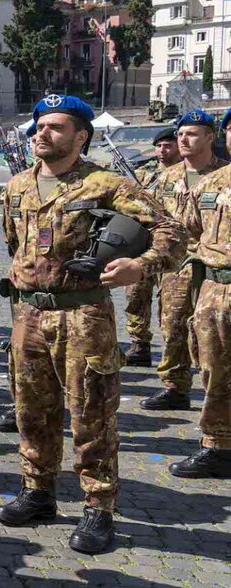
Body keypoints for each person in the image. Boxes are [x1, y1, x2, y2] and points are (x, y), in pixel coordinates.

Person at [0, 94, 184, 555]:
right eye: (39, 125)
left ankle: (98, 507)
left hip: (84, 313)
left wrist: (142, 265)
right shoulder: (17, 186)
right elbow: (14, 242)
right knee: (31, 409)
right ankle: (38, 492)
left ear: (81, 136)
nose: (43, 133)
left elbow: (172, 232)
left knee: (92, 413)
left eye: (56, 127)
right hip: (28, 315)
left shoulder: (104, 184)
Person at [138, 110, 226, 411]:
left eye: (192, 133)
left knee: (210, 331)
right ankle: (175, 386)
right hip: (175, 266)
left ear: (210, 137)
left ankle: (214, 389)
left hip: (211, 268)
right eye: (180, 134)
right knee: (172, 323)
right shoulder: (166, 178)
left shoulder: (223, 175)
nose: (183, 139)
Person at [170, 108, 231, 479]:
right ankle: (218, 446)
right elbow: (185, 230)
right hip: (216, 288)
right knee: (214, 369)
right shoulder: (212, 183)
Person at [124, 126, 183, 363]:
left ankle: (176, 354)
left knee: (172, 303)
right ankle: (140, 344)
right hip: (144, 245)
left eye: (168, 145)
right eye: (158, 146)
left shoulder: (187, 175)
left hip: (174, 248)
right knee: (135, 296)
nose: (162, 150)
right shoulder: (144, 176)